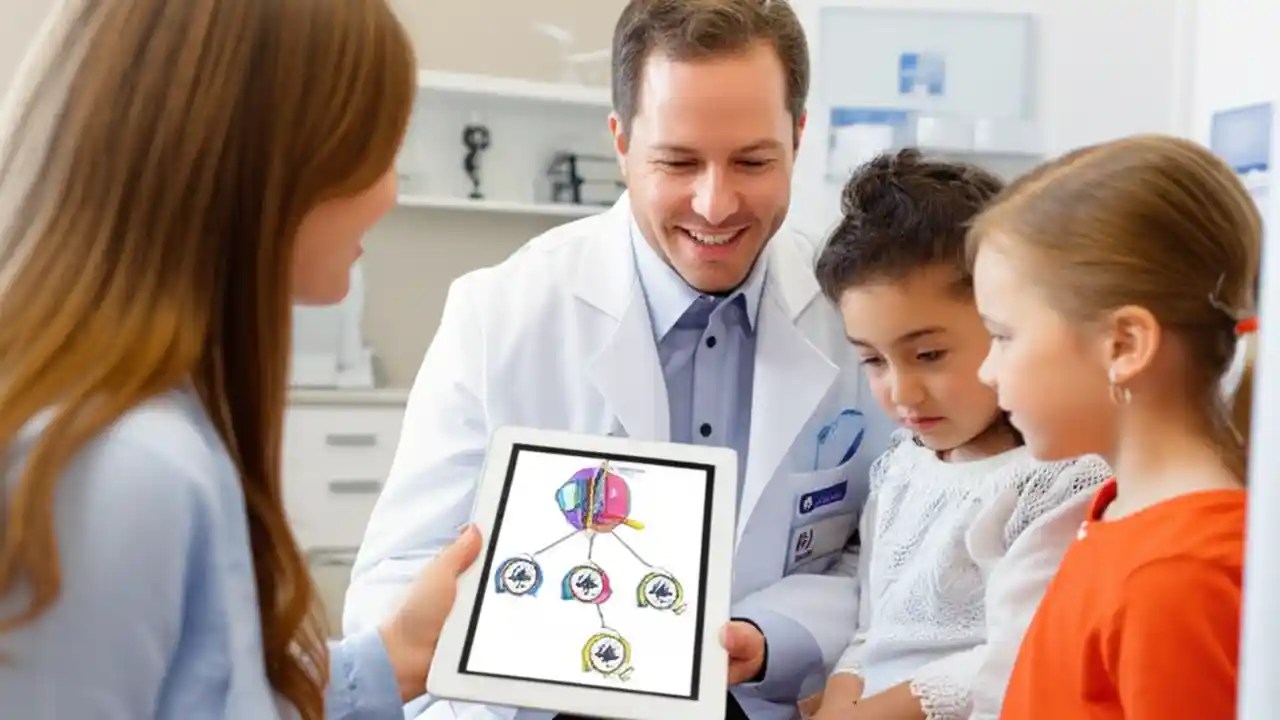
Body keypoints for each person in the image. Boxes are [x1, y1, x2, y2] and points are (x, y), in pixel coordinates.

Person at [342, 1, 896, 718]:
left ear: (798, 136)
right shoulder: (499, 314)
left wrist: (772, 635)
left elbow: (888, 550)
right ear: (621, 143)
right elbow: (398, 580)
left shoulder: (853, 314)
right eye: (678, 161)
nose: (716, 203)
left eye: (753, 161)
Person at [0, 1, 481, 718]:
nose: (390, 193)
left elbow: (202, 692)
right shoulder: (120, 471)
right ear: (270, 160)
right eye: (379, 151)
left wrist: (395, 657)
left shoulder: (141, 437)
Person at [792, 151, 1108, 720]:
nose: (902, 392)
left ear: (1008, 318)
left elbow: (1022, 653)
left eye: (929, 354)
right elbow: (877, 623)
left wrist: (872, 714)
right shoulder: (901, 465)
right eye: (873, 361)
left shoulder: (1063, 478)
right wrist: (844, 692)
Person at [966, 135, 1258, 719]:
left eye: (1002, 337)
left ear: (1124, 345)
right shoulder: (1122, 511)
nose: (986, 371)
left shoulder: (1178, 576)